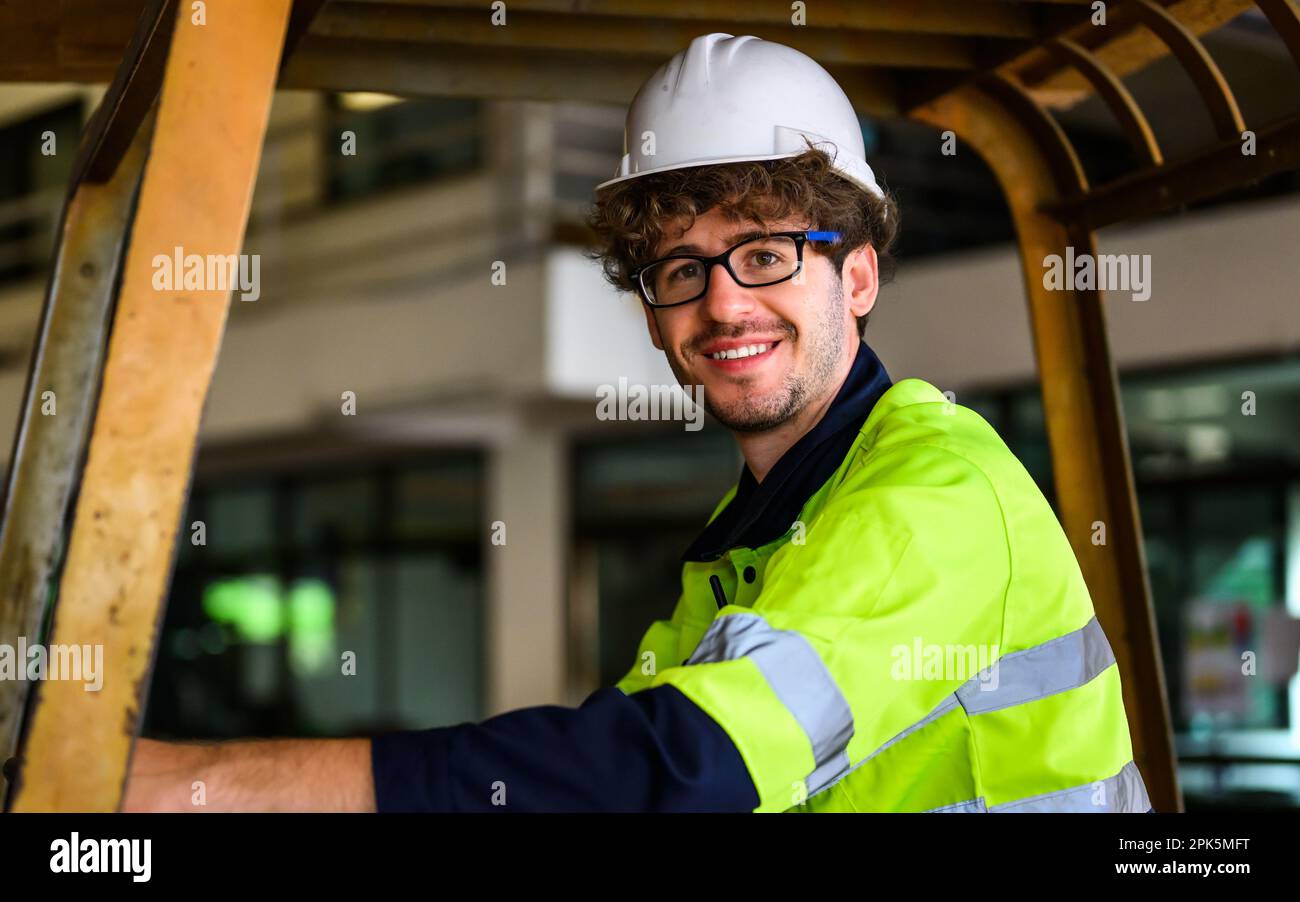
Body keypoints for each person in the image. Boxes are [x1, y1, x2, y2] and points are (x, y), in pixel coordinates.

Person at [124, 32, 1150, 813]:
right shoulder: (753, 538)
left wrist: (193, 783)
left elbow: (675, 767)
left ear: (861, 273)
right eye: (679, 269)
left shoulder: (934, 497)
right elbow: (610, 765)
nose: (723, 304)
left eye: (764, 252)